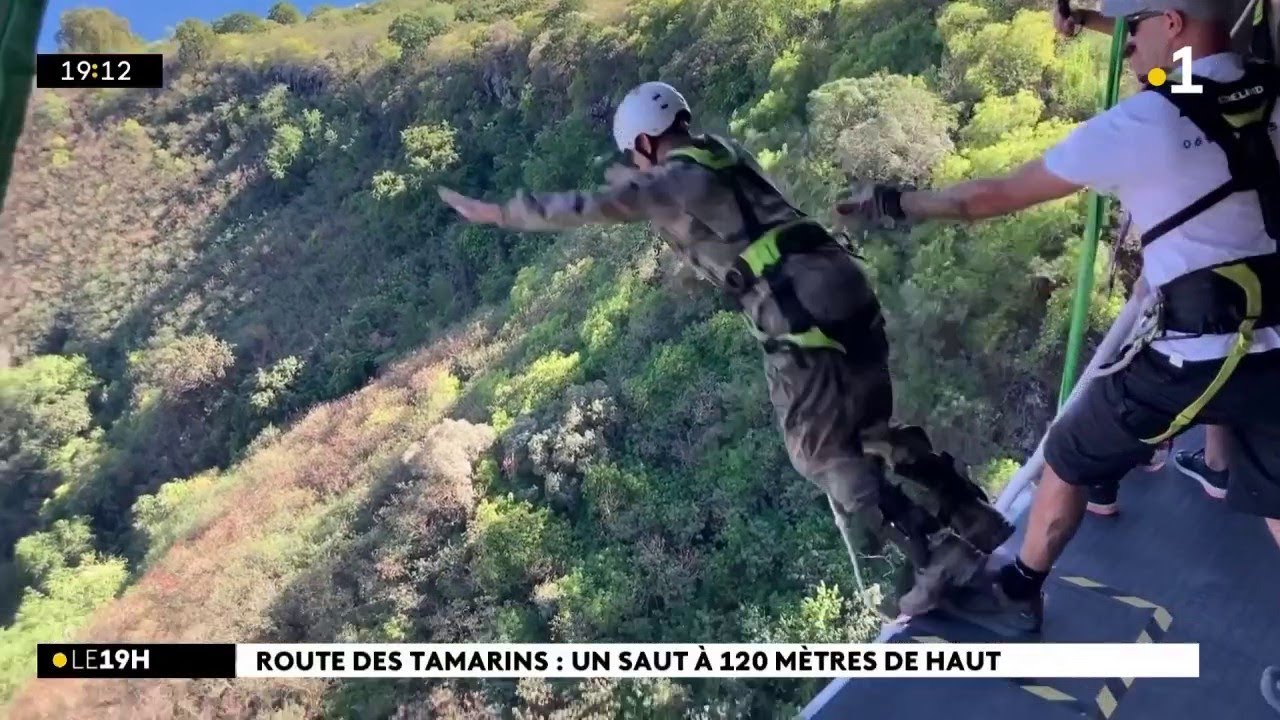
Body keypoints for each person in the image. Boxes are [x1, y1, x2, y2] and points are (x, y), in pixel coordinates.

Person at [436, 81, 1016, 617]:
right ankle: (971, 513)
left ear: (644, 141)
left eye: (635, 155)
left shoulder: (677, 176)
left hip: (797, 311)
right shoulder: (724, 151)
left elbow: (603, 207)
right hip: (841, 283)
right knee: (869, 427)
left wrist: (500, 213)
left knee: (820, 453)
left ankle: (938, 553)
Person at [836, 0, 1280, 637]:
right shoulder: (1260, 85)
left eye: (1136, 26)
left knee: (1070, 452)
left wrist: (894, 201)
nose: (1127, 42)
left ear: (1173, 23)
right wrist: (1097, 27)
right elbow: (1189, 80)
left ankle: (1017, 593)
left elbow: (980, 198)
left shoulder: (1143, 120)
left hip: (1199, 352)